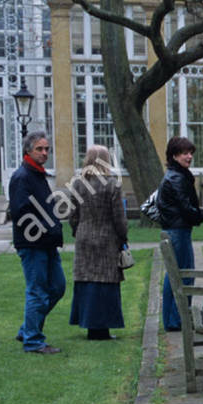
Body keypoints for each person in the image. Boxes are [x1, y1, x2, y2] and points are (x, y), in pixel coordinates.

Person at [10, 130, 65, 354]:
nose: (44, 153)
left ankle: (27, 330)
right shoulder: (22, 177)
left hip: (47, 243)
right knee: (37, 291)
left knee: (58, 287)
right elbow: (21, 213)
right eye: (39, 149)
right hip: (33, 244)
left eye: (46, 149)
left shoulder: (38, 175)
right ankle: (33, 340)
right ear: (28, 151)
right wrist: (46, 228)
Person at [68, 145, 128, 340]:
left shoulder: (78, 183)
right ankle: (103, 328)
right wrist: (123, 237)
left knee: (87, 281)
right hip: (106, 237)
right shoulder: (112, 184)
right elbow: (119, 217)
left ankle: (89, 325)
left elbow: (72, 214)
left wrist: (77, 231)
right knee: (105, 282)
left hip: (84, 236)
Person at [157, 136, 203, 331]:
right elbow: (185, 207)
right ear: (175, 155)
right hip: (178, 231)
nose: (189, 156)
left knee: (174, 275)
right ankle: (177, 320)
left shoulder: (175, 174)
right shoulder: (177, 177)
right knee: (183, 275)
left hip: (175, 229)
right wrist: (200, 215)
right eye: (185, 153)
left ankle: (173, 320)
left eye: (191, 153)